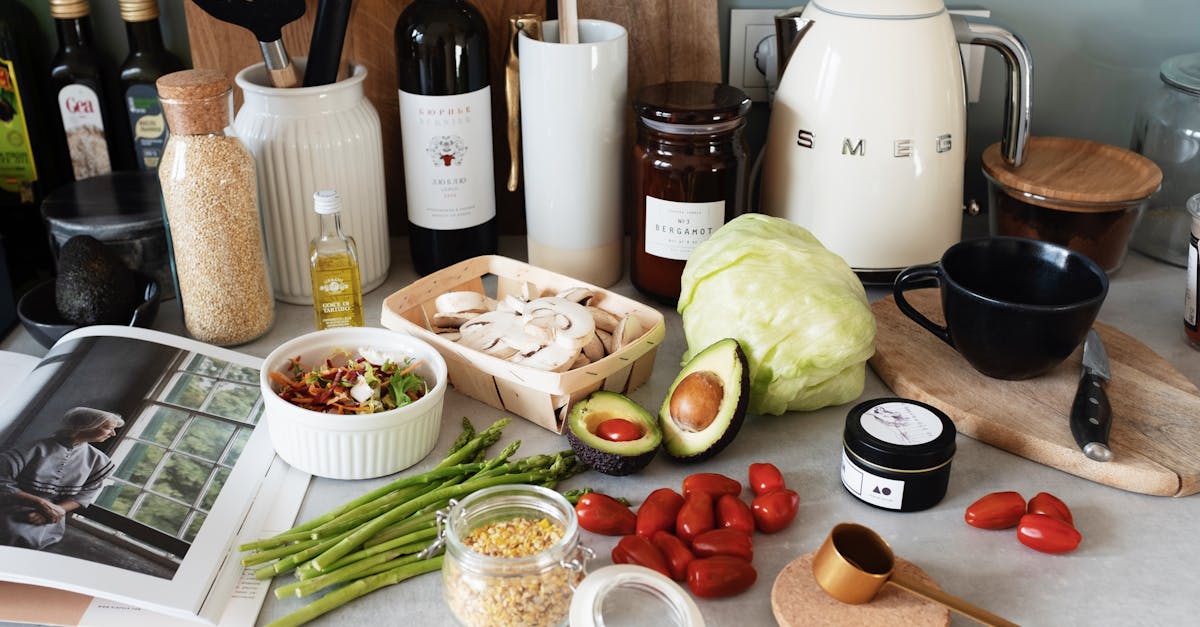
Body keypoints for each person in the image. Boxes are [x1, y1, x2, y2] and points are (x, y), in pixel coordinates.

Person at [0, 407, 124, 550]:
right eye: (108, 428)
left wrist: (57, 510)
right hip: (10, 509)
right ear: (87, 426)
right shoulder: (32, 449)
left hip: (51, 519)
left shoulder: (99, 461)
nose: (113, 433)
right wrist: (40, 502)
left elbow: (85, 495)